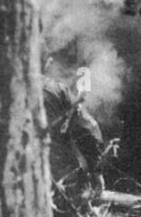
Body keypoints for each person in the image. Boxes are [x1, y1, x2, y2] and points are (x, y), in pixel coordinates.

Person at [43, 56, 106, 209]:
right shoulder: (56, 90)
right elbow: (88, 128)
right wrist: (96, 171)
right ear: (47, 62)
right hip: (51, 175)